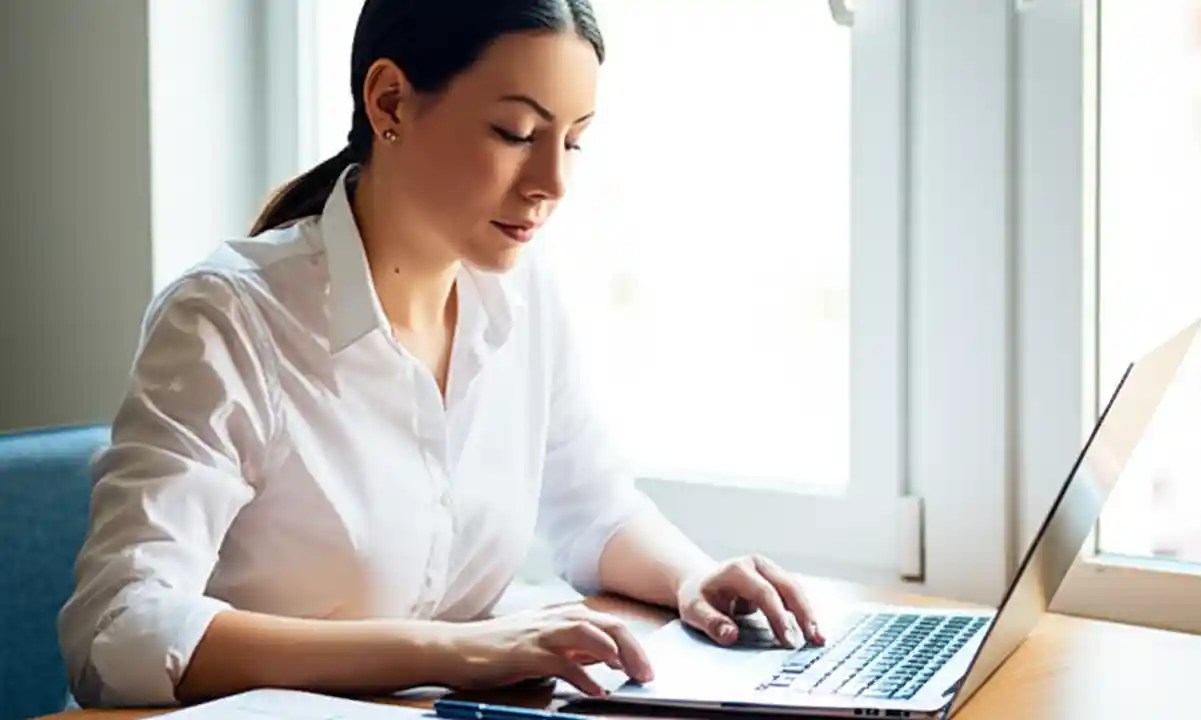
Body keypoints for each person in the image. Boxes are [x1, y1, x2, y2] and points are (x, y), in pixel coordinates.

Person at [58, 0, 823, 708]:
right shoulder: (226, 320)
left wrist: (692, 575)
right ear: (390, 101)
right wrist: (452, 651)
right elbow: (119, 634)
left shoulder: (522, 299)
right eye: (516, 133)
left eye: (574, 140)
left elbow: (594, 510)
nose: (553, 182)